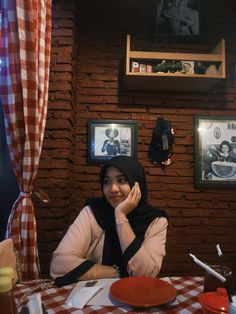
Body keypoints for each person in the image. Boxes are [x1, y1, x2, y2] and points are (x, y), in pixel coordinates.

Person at [50, 156, 168, 286]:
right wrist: (117, 272)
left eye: (121, 180)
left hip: (138, 296)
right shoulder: (93, 212)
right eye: (107, 181)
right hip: (92, 297)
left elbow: (145, 274)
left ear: (137, 184)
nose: (113, 189)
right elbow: (59, 264)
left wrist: (120, 216)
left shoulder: (156, 220)